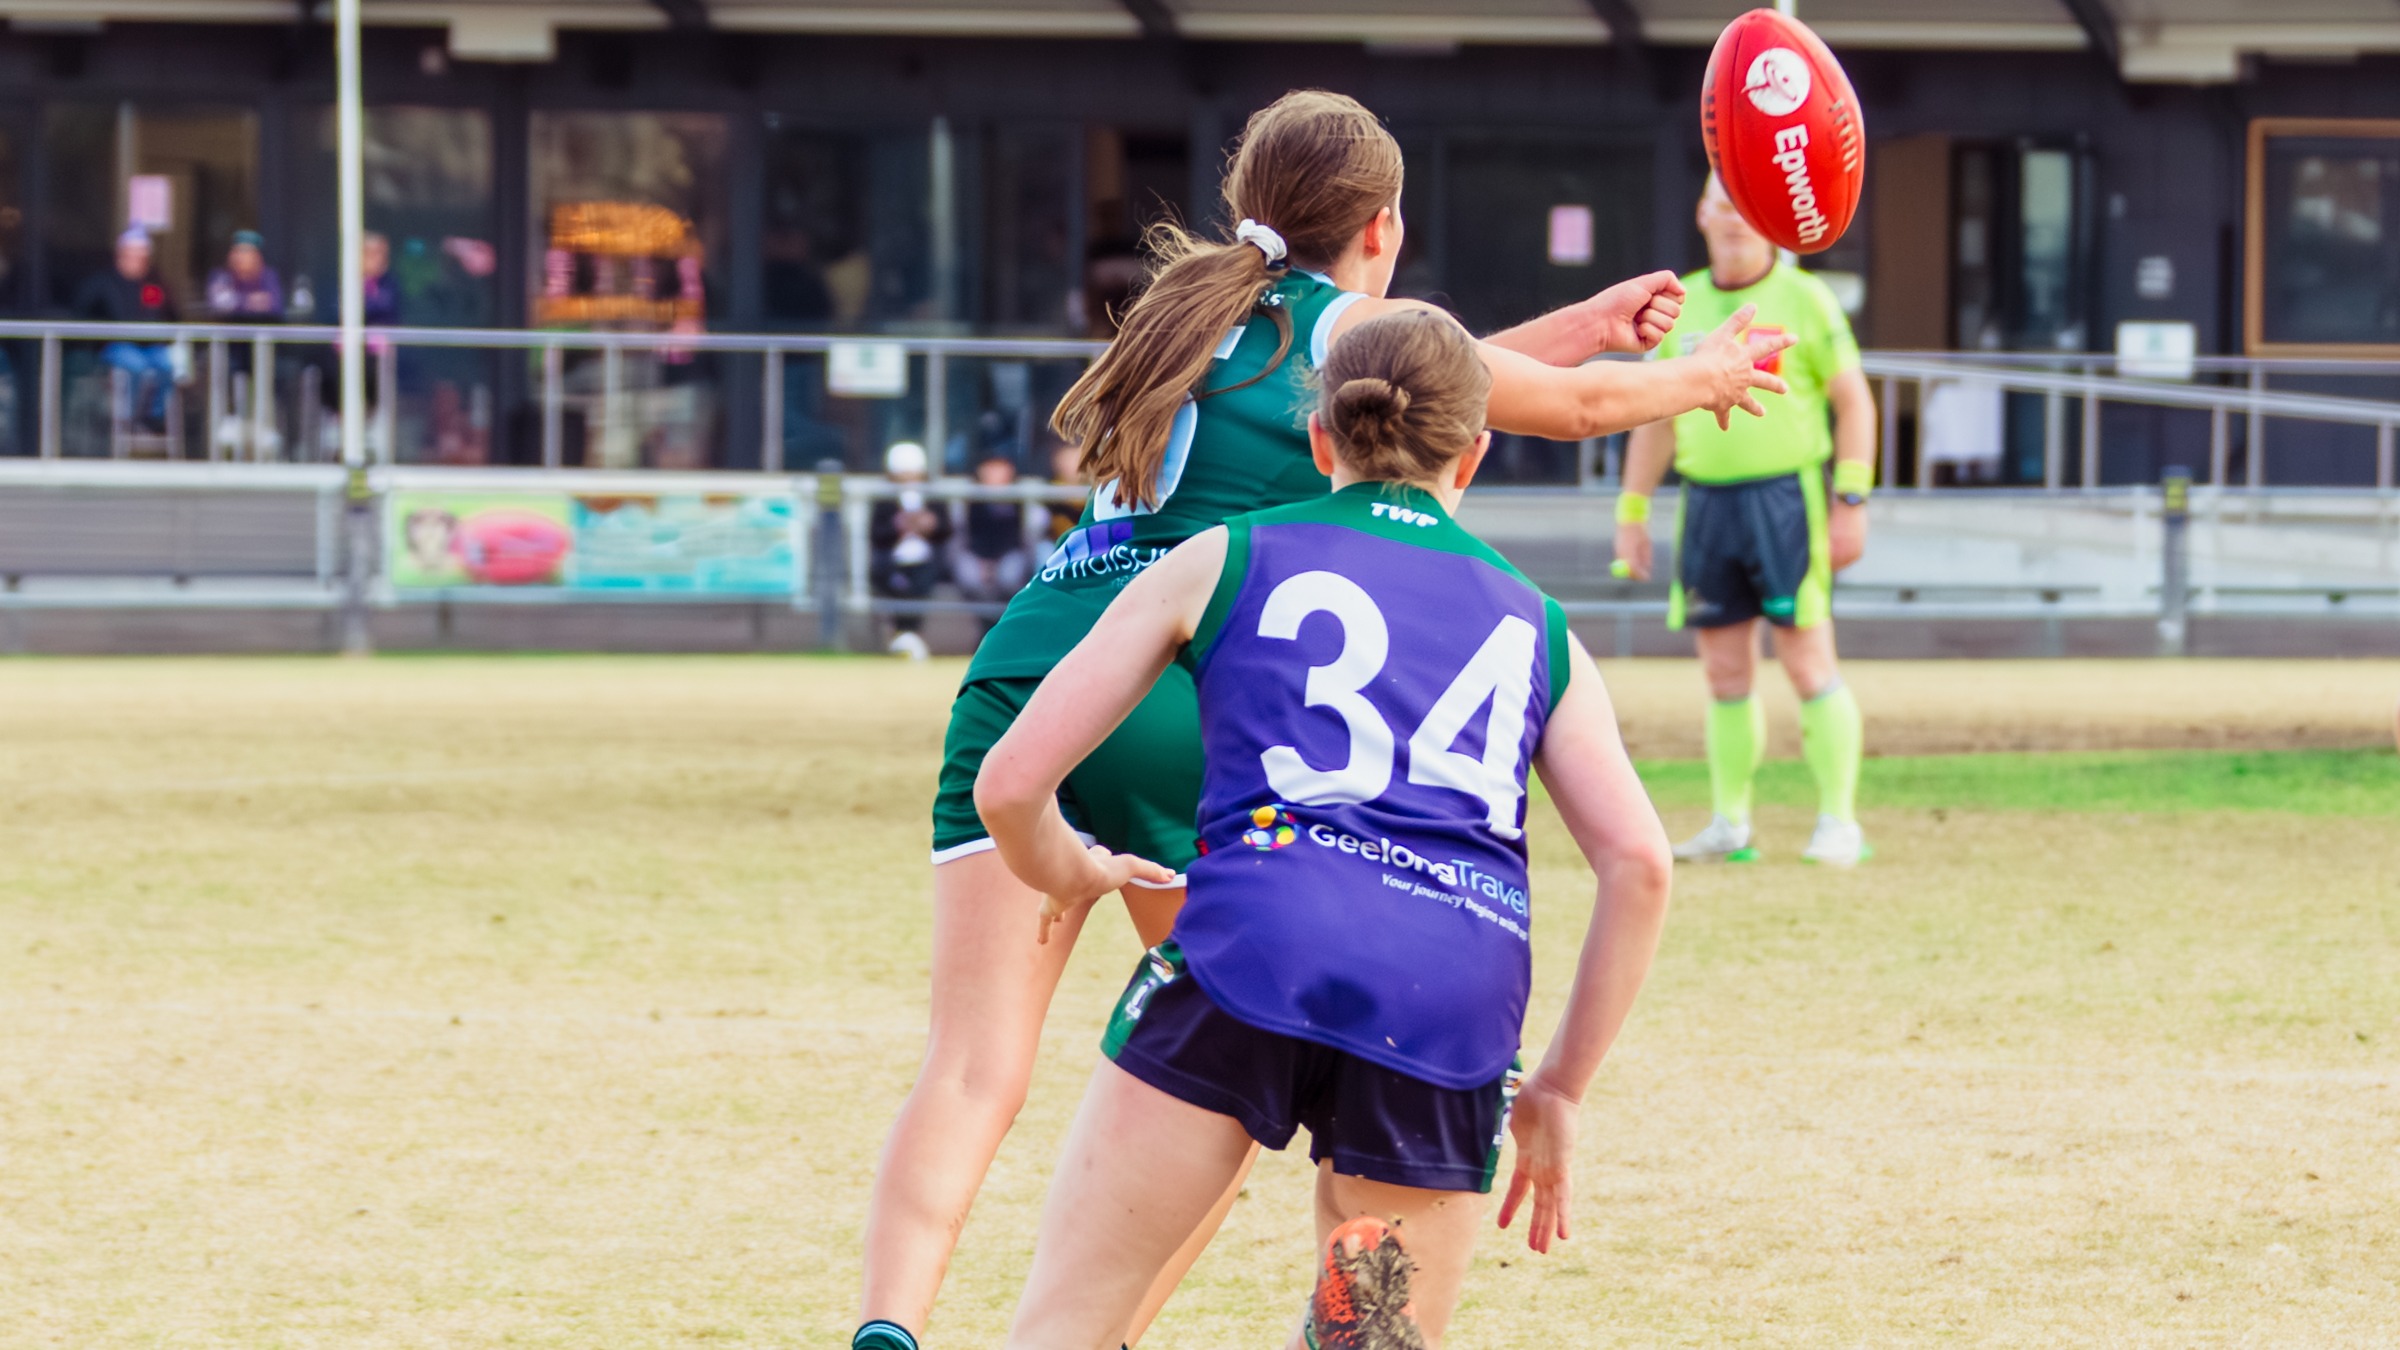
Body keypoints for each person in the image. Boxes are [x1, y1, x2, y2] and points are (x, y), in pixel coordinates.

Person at [853, 88, 1789, 1350]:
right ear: (1384, 230)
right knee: (1248, 1042)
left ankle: (892, 1324)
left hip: (1035, 659)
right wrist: (1703, 373)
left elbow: (1409, 388)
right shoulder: (1489, 572)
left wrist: (1580, 323)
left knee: (971, 1070)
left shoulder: (1195, 314)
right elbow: (1485, 398)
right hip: (1191, 691)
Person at [977, 309, 1673, 1350]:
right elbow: (1642, 865)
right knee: (1377, 1330)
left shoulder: (1225, 554)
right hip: (1447, 990)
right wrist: (1561, 1085)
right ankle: (1358, 1294)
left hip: (1253, 947)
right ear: (1475, 455)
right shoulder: (1538, 624)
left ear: (1319, 440)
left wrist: (1066, 867)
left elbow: (1011, 783)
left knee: (1069, 1321)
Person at [1613, 174, 1880, 867]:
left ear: (1769, 216)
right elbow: (1655, 418)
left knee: (1807, 660)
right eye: (1721, 203)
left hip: (1786, 500)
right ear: (1700, 212)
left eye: (1745, 203)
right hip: (1706, 502)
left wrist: (1851, 497)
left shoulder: (1807, 297)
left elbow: (1854, 401)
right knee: (1724, 673)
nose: (1733, 218)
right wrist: (1632, 511)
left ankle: (1838, 823)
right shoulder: (1683, 306)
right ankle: (1731, 823)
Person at [75, 227, 179, 425]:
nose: (138, 260)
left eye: (142, 256)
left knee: (168, 365)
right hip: (116, 345)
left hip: (151, 346)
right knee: (136, 366)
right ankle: (128, 418)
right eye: (133, 255)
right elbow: (84, 311)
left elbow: (171, 313)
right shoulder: (103, 282)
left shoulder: (154, 282)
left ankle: (154, 417)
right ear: (122, 255)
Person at [870, 441, 952, 661]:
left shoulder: (933, 497)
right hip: (892, 560)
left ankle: (912, 635)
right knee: (894, 586)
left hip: (926, 560)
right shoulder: (884, 499)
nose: (908, 477)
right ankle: (901, 635)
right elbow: (877, 534)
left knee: (921, 585)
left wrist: (930, 526)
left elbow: (946, 529)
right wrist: (899, 526)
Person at [954, 450, 1034, 631]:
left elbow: (1022, 539)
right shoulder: (969, 498)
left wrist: (996, 563)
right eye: (990, 467)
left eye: (1000, 467)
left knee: (1009, 574)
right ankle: (985, 627)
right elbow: (965, 537)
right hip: (976, 555)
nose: (995, 473)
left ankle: (1004, 628)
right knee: (970, 576)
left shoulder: (1021, 498)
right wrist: (984, 563)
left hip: (1008, 555)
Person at [206, 229, 285, 321]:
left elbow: (275, 306)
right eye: (236, 251)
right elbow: (219, 303)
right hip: (227, 330)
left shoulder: (268, 276)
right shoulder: (221, 275)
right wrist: (249, 301)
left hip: (261, 328)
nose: (239, 257)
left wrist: (236, 300)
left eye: (245, 252)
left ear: (256, 257)